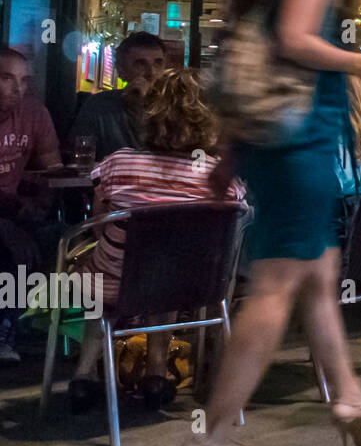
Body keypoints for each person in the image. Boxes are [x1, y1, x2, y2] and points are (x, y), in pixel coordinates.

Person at [189, 0, 361, 446]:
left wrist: (230, 155)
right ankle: (209, 438)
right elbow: (294, 42)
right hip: (302, 144)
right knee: (276, 290)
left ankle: (351, 404)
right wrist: (359, 62)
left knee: (320, 280)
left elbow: (253, 60)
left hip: (275, 142)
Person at [67, 68, 244, 413]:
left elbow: (100, 224)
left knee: (98, 277)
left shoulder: (119, 163)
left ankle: (84, 375)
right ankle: (156, 374)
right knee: (166, 275)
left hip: (119, 285)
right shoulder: (223, 176)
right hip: (195, 287)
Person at [0, 47, 62, 362]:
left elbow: (53, 169)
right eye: (6, 78)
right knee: (11, 247)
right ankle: (6, 328)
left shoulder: (34, 113)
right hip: (6, 216)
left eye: (24, 80)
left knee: (64, 239)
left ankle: (28, 322)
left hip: (14, 211)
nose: (18, 88)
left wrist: (38, 208)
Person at [69, 32, 168, 161]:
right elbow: (79, 155)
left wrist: (142, 109)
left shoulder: (177, 106)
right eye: (140, 64)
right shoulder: (99, 105)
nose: (151, 72)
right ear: (121, 70)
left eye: (158, 63)